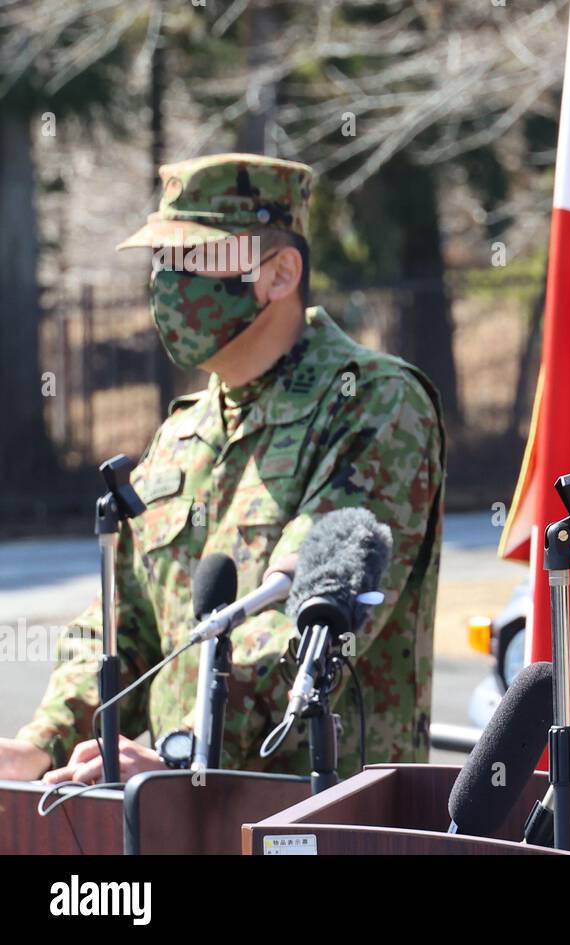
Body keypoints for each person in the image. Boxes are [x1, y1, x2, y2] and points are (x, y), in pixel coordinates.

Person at [0, 153, 445, 784]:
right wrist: (43, 743)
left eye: (197, 261)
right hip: (187, 817)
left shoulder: (373, 403)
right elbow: (123, 625)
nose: (168, 283)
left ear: (280, 273)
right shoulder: (183, 432)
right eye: (162, 261)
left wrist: (185, 752)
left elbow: (309, 619)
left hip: (328, 815)